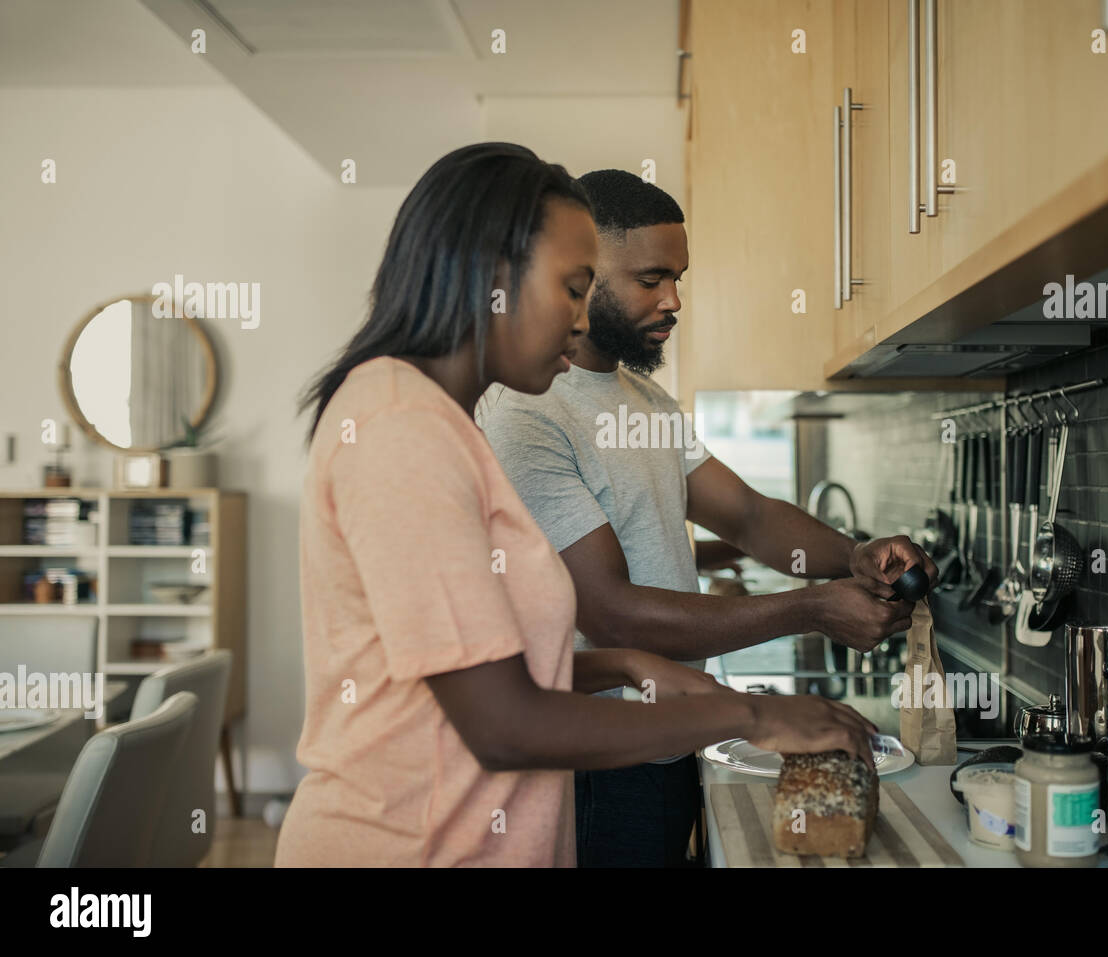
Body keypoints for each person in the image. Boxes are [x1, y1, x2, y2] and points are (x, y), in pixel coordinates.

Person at [274, 143, 880, 868]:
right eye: (570, 286)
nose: (579, 315)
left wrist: (624, 664)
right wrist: (750, 712)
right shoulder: (402, 430)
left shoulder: (441, 425)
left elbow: (487, 667)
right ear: (493, 277)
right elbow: (502, 722)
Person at [482, 170, 936, 868]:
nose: (674, 300)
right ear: (586, 271)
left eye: (679, 278)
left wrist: (855, 556)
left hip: (668, 737)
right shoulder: (529, 411)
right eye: (652, 278)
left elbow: (750, 516)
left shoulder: (647, 399)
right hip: (598, 759)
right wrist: (813, 608)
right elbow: (613, 615)